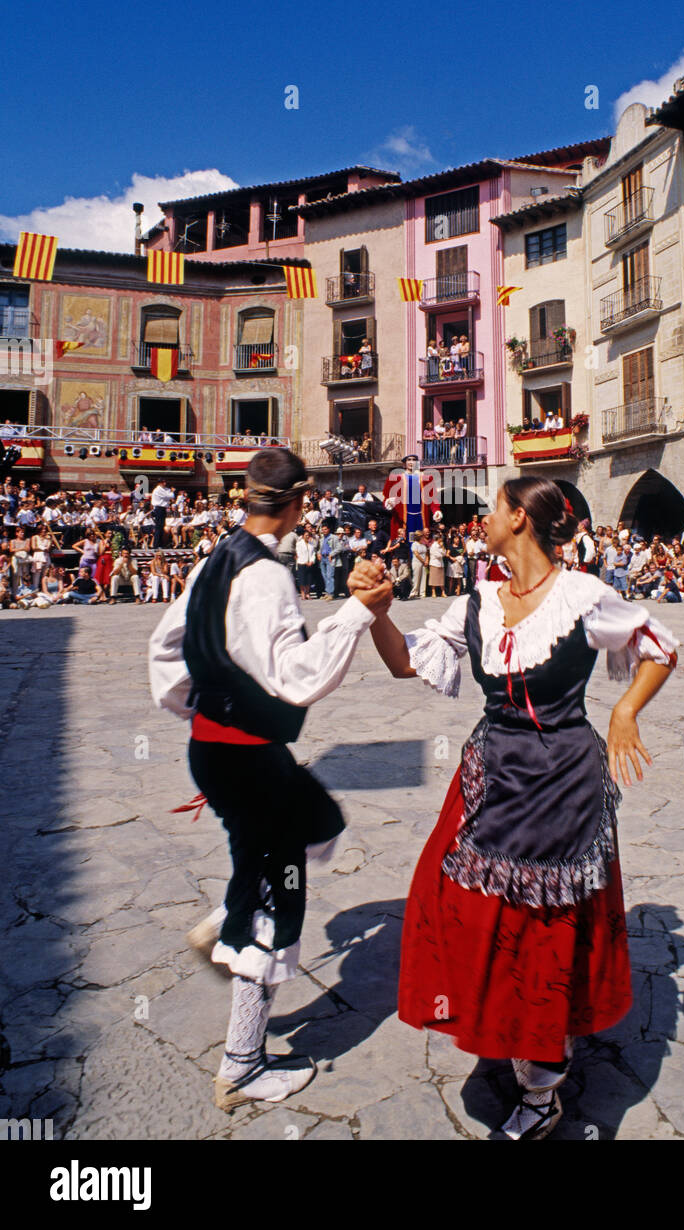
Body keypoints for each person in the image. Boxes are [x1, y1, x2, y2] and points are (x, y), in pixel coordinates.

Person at [349, 477, 677, 1140]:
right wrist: (380, 615)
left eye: (494, 509)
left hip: (563, 780)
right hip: (493, 774)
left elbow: (660, 648)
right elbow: (405, 665)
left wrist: (624, 709)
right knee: (454, 904)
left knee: (545, 929)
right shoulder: (479, 601)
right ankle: (503, 1024)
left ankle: (542, 1089)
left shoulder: (585, 595)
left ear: (521, 519)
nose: (484, 519)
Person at [148, 448, 392, 1112]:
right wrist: (358, 612)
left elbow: (165, 650)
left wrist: (199, 713)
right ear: (297, 503)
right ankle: (242, 1065)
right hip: (250, 759)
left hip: (218, 750)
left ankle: (230, 913)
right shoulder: (268, 577)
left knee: (323, 825)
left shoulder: (211, 561)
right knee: (274, 901)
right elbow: (296, 678)